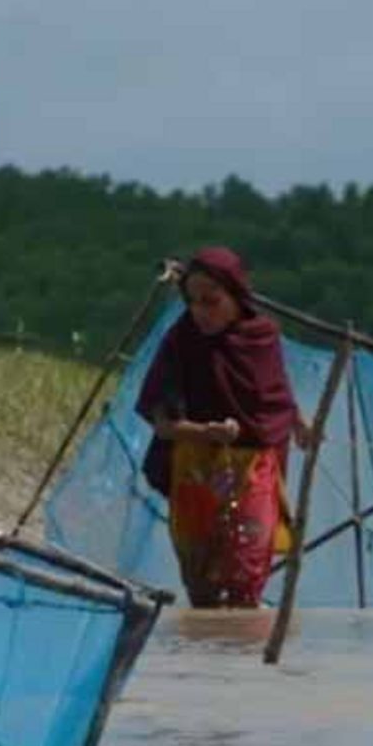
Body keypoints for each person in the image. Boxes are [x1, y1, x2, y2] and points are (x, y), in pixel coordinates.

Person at [137, 246, 308, 609]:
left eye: (211, 301)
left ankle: (240, 641)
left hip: (252, 469)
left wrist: (299, 423)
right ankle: (209, 638)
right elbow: (164, 424)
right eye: (193, 302)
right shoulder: (181, 341)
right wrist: (205, 433)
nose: (201, 311)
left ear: (236, 297)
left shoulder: (262, 337)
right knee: (202, 584)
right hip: (196, 468)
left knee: (246, 572)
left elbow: (274, 392)